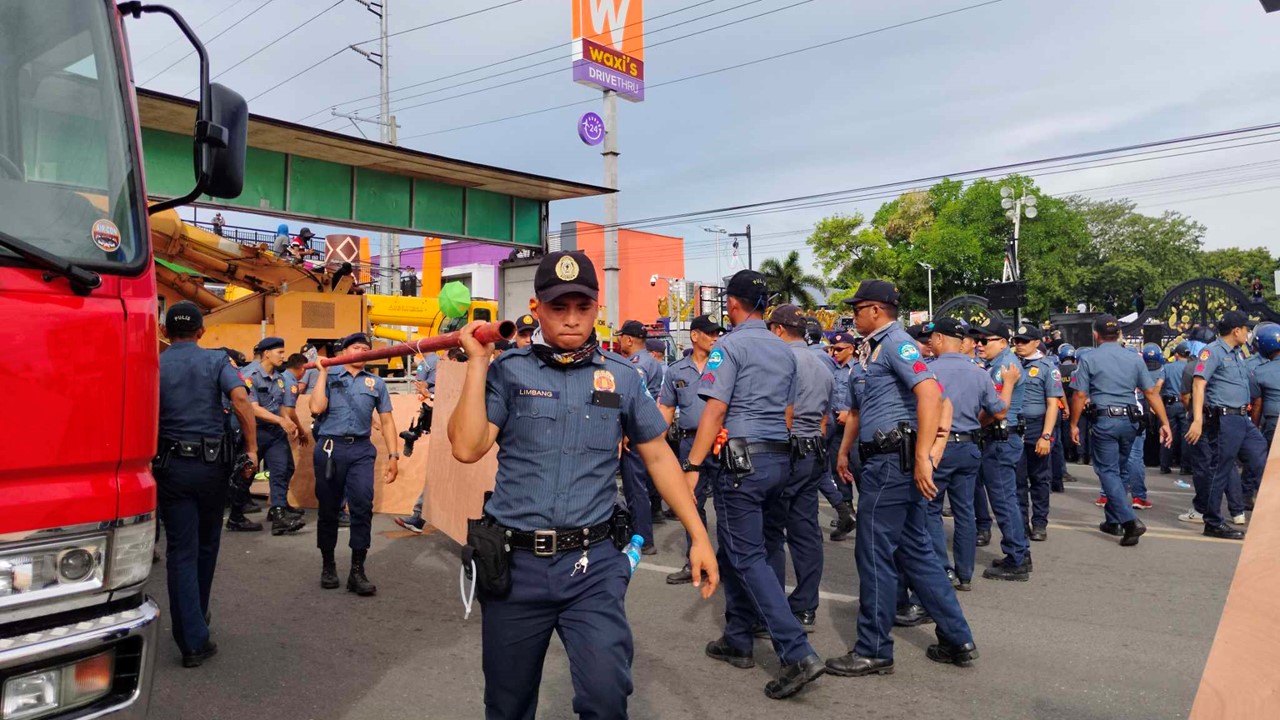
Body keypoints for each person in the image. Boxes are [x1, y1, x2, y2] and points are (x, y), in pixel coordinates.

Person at [447, 250, 718, 718]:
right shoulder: (508, 372)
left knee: (606, 696)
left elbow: (658, 457)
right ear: (536, 309)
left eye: (582, 306)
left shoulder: (624, 378)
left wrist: (698, 535)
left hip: (591, 567)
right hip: (516, 568)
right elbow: (467, 448)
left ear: (597, 308)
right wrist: (477, 364)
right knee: (507, 705)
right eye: (558, 307)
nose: (571, 318)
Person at [682, 270, 826, 699]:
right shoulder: (784, 351)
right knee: (755, 547)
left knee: (744, 556)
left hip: (741, 463)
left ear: (732, 304)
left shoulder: (729, 346)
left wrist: (692, 466)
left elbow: (713, 413)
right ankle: (739, 636)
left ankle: (796, 652)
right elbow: (786, 414)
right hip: (779, 458)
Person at [826, 280, 977, 678]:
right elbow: (859, 410)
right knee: (917, 553)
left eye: (857, 309)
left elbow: (931, 394)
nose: (853, 315)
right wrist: (844, 451)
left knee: (873, 551)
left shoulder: (896, 343)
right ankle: (957, 638)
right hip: (880, 460)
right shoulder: (870, 348)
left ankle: (874, 648)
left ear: (875, 310)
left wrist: (926, 456)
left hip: (892, 463)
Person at [156, 302, 258, 667]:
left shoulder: (154, 364)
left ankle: (192, 635)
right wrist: (251, 447)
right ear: (201, 331)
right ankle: (196, 625)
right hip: (211, 467)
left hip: (169, 469)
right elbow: (241, 398)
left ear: (165, 332)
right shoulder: (217, 361)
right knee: (206, 546)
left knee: (180, 550)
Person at [308, 332, 401, 594]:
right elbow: (316, 408)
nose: (362, 352)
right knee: (328, 509)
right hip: (330, 448)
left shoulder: (376, 383)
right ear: (344, 352)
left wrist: (394, 456)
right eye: (357, 347)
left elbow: (387, 421)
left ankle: (357, 571)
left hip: (361, 450)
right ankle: (328, 566)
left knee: (362, 507)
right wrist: (324, 372)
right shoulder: (329, 376)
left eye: (366, 348)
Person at [1068, 315, 1172, 546]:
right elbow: (1151, 393)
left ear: (1096, 335)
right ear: (1119, 335)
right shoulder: (1134, 358)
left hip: (1105, 419)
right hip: (1130, 420)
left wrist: (1074, 424)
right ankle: (1113, 520)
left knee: (1107, 471)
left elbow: (1080, 395)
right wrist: (1165, 423)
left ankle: (1129, 521)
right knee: (1121, 470)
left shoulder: (1089, 358)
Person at [923, 318, 1009, 591]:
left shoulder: (927, 371)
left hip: (939, 447)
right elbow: (999, 410)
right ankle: (965, 574)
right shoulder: (980, 372)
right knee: (965, 512)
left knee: (930, 510)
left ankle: (942, 569)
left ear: (939, 339)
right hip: (969, 446)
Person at [764, 304, 834, 632]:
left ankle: (771, 606)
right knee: (805, 531)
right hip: (813, 449)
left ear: (778, 330)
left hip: (787, 448)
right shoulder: (823, 361)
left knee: (771, 530)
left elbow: (783, 413)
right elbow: (825, 417)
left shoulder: (782, 360)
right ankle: (806, 605)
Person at [1186, 310, 1264, 540]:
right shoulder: (1213, 352)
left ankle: (1245, 497)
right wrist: (1198, 420)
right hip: (1224, 418)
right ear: (1236, 330)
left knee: (1260, 455)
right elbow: (1198, 385)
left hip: (1242, 418)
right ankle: (1212, 521)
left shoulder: (1239, 353)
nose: (1248, 333)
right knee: (1220, 469)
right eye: (1246, 328)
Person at [659, 314, 725, 584]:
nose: (715, 338)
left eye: (717, 334)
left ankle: (728, 561)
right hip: (689, 443)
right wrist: (655, 442)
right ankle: (693, 559)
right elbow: (666, 408)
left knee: (726, 503)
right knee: (690, 502)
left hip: (721, 443)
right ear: (695, 336)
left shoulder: (724, 365)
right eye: (710, 333)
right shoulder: (676, 371)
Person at [969, 318, 1032, 581]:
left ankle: (1017, 558)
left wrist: (972, 423)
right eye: (977, 340)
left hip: (1000, 439)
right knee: (1008, 499)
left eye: (985, 340)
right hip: (1003, 438)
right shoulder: (998, 365)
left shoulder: (1003, 368)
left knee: (1004, 501)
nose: (979, 345)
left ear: (1003, 342)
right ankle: (1019, 552)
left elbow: (996, 410)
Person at [244, 337, 307, 536]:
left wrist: (287, 421)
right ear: (266, 353)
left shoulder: (280, 378)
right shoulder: (249, 375)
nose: (283, 356)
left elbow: (281, 406)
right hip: (253, 431)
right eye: (279, 352)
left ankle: (278, 513)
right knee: (244, 474)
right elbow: (252, 408)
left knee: (281, 469)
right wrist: (282, 421)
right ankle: (236, 512)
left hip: (274, 433)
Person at [617, 318, 666, 552]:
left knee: (635, 487)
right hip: (650, 428)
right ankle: (647, 525)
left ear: (628, 339)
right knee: (645, 484)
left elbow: (634, 399)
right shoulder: (651, 360)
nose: (618, 341)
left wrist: (629, 432)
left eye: (620, 337)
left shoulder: (636, 364)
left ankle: (643, 538)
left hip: (636, 433)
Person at [1012, 323, 1063, 541]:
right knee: (1017, 480)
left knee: (1040, 478)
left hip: (1037, 426)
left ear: (1036, 342)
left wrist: (1046, 435)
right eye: (1017, 341)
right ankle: (1021, 522)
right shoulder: (1011, 365)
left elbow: (1053, 404)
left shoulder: (1047, 367)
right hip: (1015, 427)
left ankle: (1040, 523)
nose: (1020, 345)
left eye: (1024, 341)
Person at [819, 331, 859, 540]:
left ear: (851, 349)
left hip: (854, 427)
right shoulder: (830, 369)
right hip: (835, 428)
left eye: (839, 349)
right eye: (832, 349)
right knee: (838, 470)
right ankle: (846, 511)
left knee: (858, 469)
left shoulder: (859, 370)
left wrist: (849, 412)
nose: (834, 353)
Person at [1159, 342, 1191, 475]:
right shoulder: (1191, 368)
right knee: (1186, 436)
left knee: (1168, 433)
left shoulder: (1167, 367)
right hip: (1186, 404)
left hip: (1171, 404)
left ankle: (1165, 465)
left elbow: (1158, 385)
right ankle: (1185, 467)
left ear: (1177, 355)